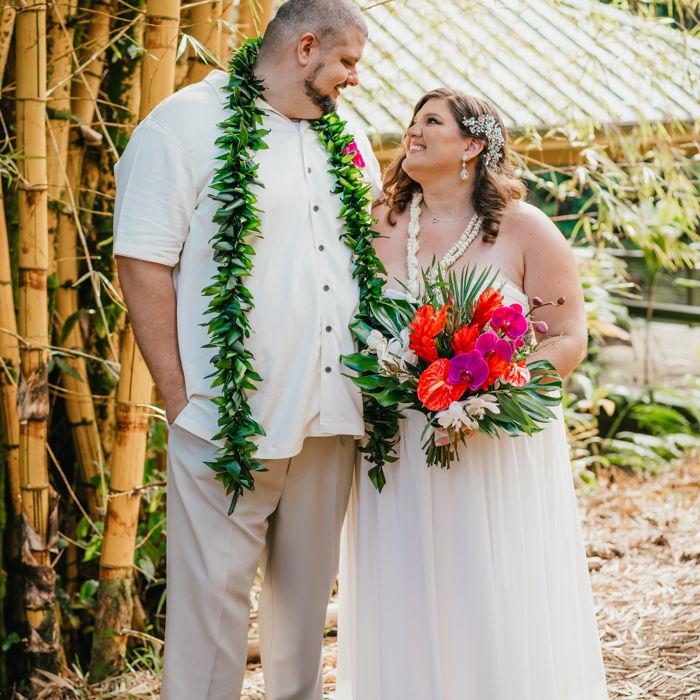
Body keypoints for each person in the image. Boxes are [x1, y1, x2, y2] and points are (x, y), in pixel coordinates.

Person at [113, 1, 381, 697]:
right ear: (305, 47)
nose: (354, 77)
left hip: (331, 415)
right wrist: (181, 398)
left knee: (304, 614)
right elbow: (141, 261)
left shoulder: (347, 136)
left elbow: (373, 255)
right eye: (347, 61)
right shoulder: (181, 126)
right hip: (226, 420)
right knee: (210, 612)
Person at [336, 88, 609, 700]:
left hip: (492, 443)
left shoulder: (524, 228)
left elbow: (567, 337)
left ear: (472, 146)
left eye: (431, 121)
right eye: (413, 120)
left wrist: (491, 391)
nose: (413, 130)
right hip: (400, 444)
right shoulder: (378, 223)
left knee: (487, 582)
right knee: (406, 583)